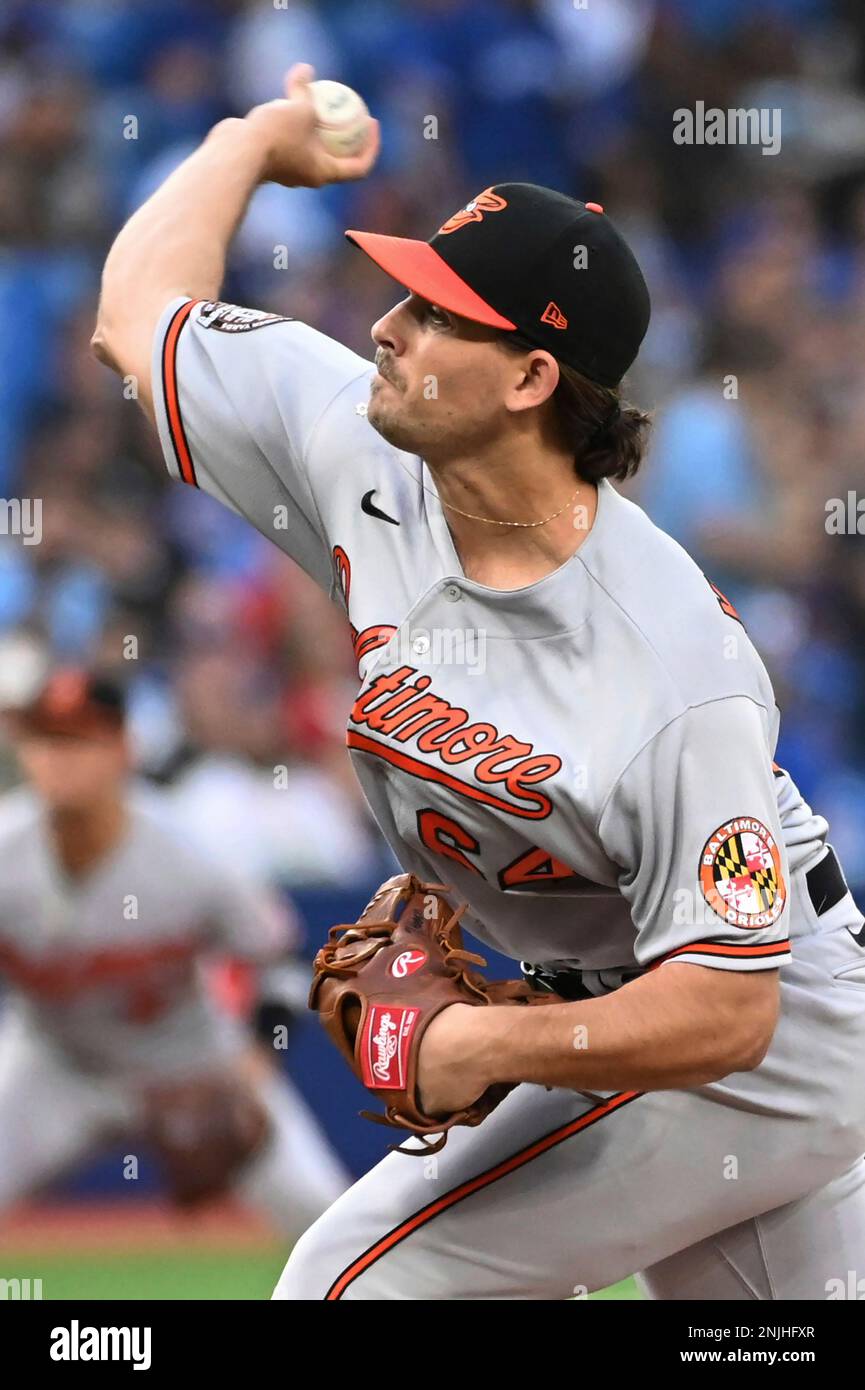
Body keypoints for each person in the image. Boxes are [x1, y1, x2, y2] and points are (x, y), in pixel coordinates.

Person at [91, 63, 865, 1300]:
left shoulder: (671, 667)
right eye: (406, 294)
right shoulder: (364, 440)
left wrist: (484, 1041)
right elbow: (139, 312)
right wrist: (253, 139)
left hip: (752, 1048)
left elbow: (729, 1011)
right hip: (633, 1016)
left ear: (530, 380)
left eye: (438, 313)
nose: (387, 328)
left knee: (354, 1283)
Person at [0, 666, 348, 1235]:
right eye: (44, 739)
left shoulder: (189, 850)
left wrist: (255, 1063)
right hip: (53, 1065)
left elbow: (283, 960)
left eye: (78, 740)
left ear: (122, 750)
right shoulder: (6, 848)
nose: (56, 758)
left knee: (328, 1221)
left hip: (191, 1063)